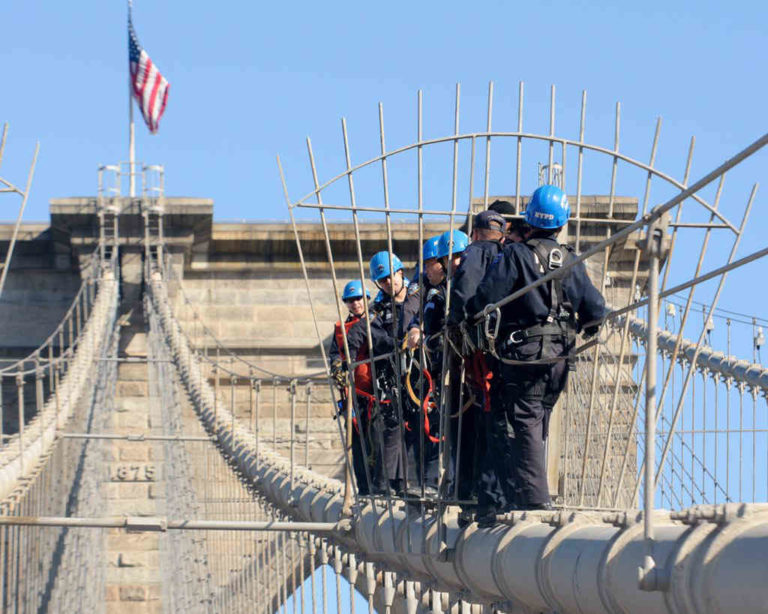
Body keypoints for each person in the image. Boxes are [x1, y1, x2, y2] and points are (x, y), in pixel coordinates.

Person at [467, 184, 607, 522]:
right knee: (537, 418)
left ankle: (533, 500)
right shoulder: (570, 259)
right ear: (561, 224)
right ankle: (524, 488)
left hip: (525, 355)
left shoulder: (516, 255)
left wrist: (470, 317)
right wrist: (587, 326)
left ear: (529, 219)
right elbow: (595, 309)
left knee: (524, 420)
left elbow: (487, 296)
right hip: (560, 357)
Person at [337, 251, 421, 495]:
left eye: (391, 277)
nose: (388, 283)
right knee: (392, 427)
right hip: (393, 375)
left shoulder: (420, 296)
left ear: (400, 272)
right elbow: (356, 335)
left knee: (422, 425)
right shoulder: (377, 310)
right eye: (382, 281)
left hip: (420, 372)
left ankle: (425, 482)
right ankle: (386, 485)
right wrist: (346, 363)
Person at [329, 280, 375, 495]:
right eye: (350, 300)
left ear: (367, 299)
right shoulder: (340, 328)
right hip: (353, 393)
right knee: (357, 440)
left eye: (358, 299)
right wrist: (337, 367)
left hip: (375, 390)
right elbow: (334, 354)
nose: (355, 303)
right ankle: (365, 488)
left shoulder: (377, 321)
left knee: (378, 438)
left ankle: (380, 485)